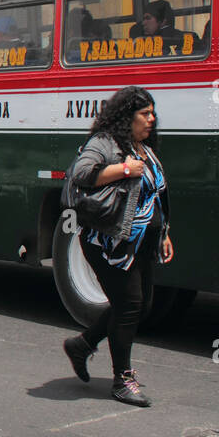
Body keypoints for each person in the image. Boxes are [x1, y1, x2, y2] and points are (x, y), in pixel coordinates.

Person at [62, 86, 173, 407]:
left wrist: (164, 232)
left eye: (153, 114)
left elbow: (155, 195)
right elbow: (81, 173)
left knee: (142, 305)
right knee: (129, 305)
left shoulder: (144, 148)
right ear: (127, 116)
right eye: (145, 114)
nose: (152, 120)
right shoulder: (106, 143)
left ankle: (83, 344)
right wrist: (124, 169)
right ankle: (122, 379)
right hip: (109, 242)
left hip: (141, 241)